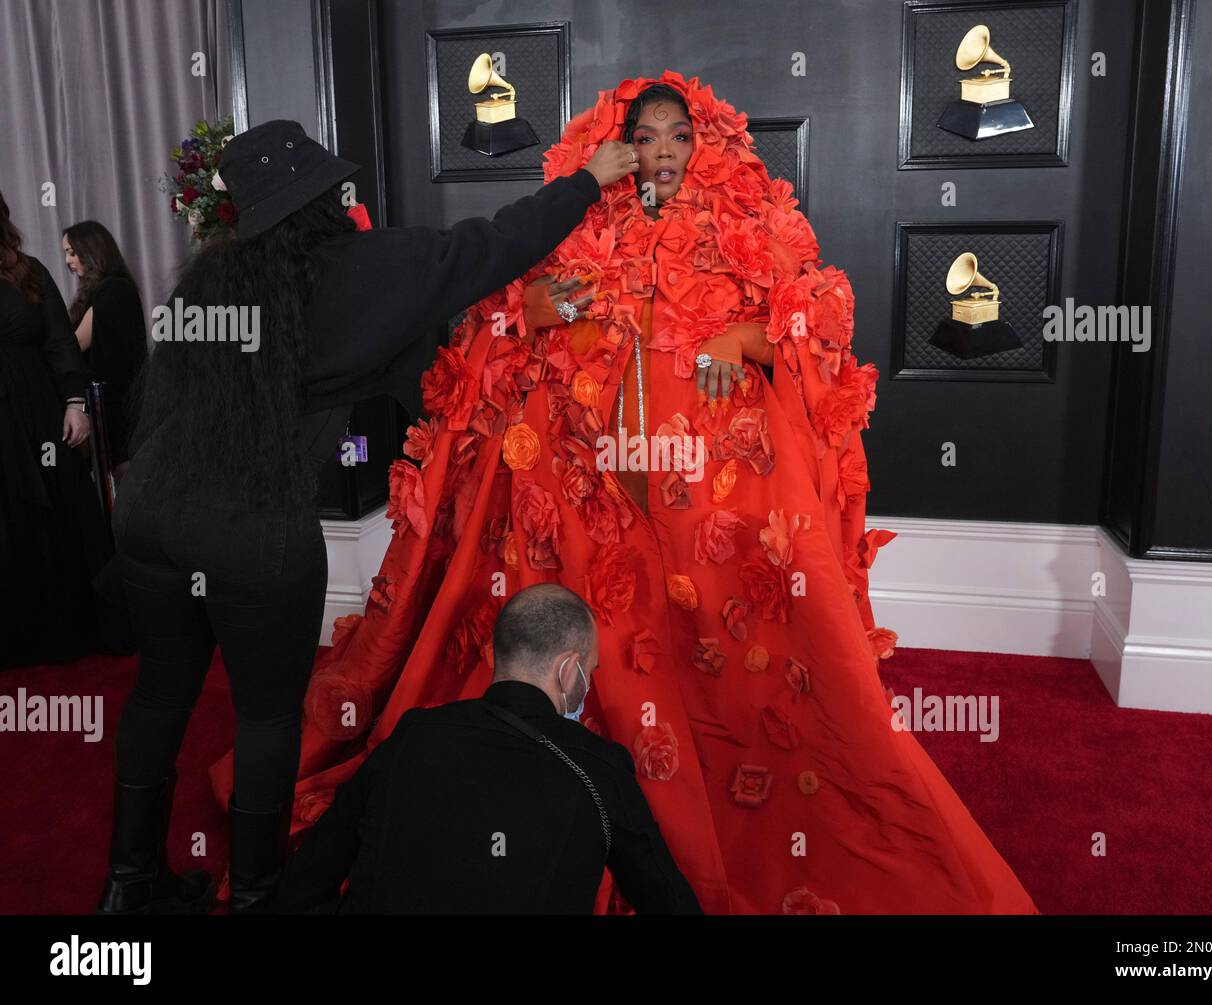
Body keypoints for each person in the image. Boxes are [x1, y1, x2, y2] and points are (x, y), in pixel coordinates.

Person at [216, 75, 1038, 914]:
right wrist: (525, 314)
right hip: (584, 497)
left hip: (710, 505)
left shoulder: (745, 229)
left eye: (680, 137)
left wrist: (738, 334)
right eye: (647, 137)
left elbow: (813, 325)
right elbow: (476, 324)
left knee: (728, 667)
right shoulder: (577, 226)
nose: (666, 154)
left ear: (703, 146)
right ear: (619, 149)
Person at [96, 118, 637, 915]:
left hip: (147, 518)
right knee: (268, 713)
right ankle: (256, 897)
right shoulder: (364, 267)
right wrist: (588, 179)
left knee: (158, 695)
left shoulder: (205, 285)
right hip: (251, 532)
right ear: (325, 197)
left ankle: (124, 885)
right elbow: (490, 246)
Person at [273, 584, 701, 914]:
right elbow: (668, 901)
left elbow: (306, 880)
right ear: (569, 670)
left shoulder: (413, 734)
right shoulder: (598, 768)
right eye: (590, 671)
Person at [0, 188, 112, 668]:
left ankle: (62, 630)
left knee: (55, 514)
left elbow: (61, 344)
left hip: (37, 410)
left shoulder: (27, 272)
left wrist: (75, 403)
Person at [61, 221, 148, 485]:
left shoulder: (111, 290)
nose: (68, 261)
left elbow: (73, 345)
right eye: (66, 253)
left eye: (72, 252)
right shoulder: (113, 289)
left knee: (124, 480)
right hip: (117, 407)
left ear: (92, 251)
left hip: (117, 409)